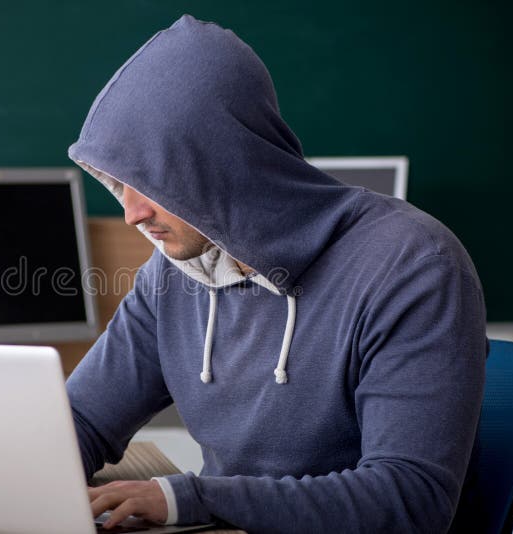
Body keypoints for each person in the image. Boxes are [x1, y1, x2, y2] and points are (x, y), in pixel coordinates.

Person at [65, 14, 487, 533]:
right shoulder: (177, 273)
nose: (131, 213)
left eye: (149, 181)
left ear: (220, 164)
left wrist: (189, 498)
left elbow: (411, 500)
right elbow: (80, 421)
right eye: (119, 183)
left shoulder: (414, 266)